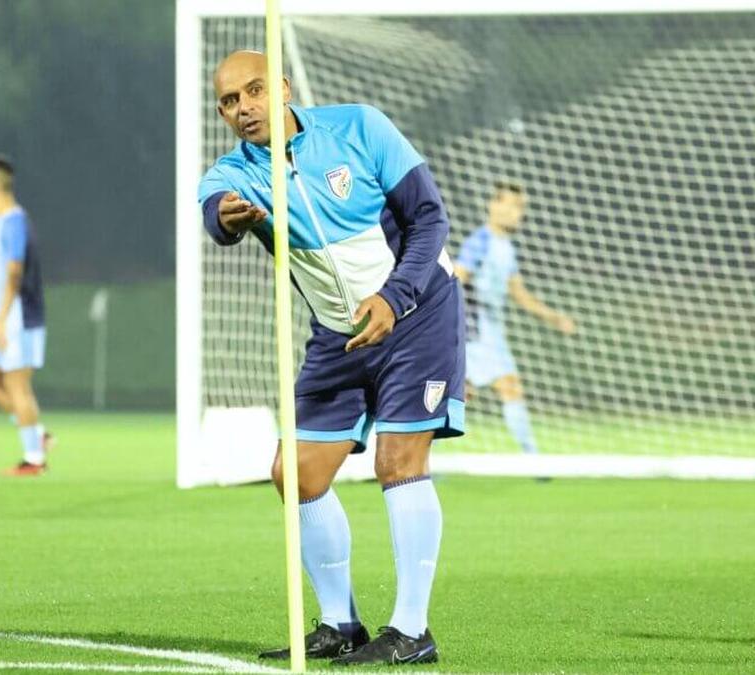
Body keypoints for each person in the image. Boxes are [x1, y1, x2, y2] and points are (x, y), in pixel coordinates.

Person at [199, 51, 464, 666]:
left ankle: (412, 630)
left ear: (284, 88)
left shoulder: (360, 127)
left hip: (417, 312)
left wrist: (395, 298)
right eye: (231, 101)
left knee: (398, 461)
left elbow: (430, 219)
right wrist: (230, 218)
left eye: (256, 91)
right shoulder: (229, 175)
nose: (245, 108)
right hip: (335, 335)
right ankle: (342, 623)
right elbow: (217, 217)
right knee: (297, 474)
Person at [454, 182, 576, 456]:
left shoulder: (506, 248)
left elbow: (520, 294)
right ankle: (533, 458)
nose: (516, 213)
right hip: (475, 325)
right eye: (511, 205)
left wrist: (555, 318)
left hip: (489, 326)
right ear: (493, 205)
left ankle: (419, 462)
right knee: (508, 387)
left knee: (461, 394)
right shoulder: (481, 241)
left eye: (521, 207)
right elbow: (457, 278)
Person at [0, 154, 52, 477]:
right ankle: (39, 433)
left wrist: (3, 319)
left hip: (18, 317)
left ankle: (34, 459)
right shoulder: (2, 220)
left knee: (18, 387)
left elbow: (15, 272)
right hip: (6, 318)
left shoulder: (15, 221)